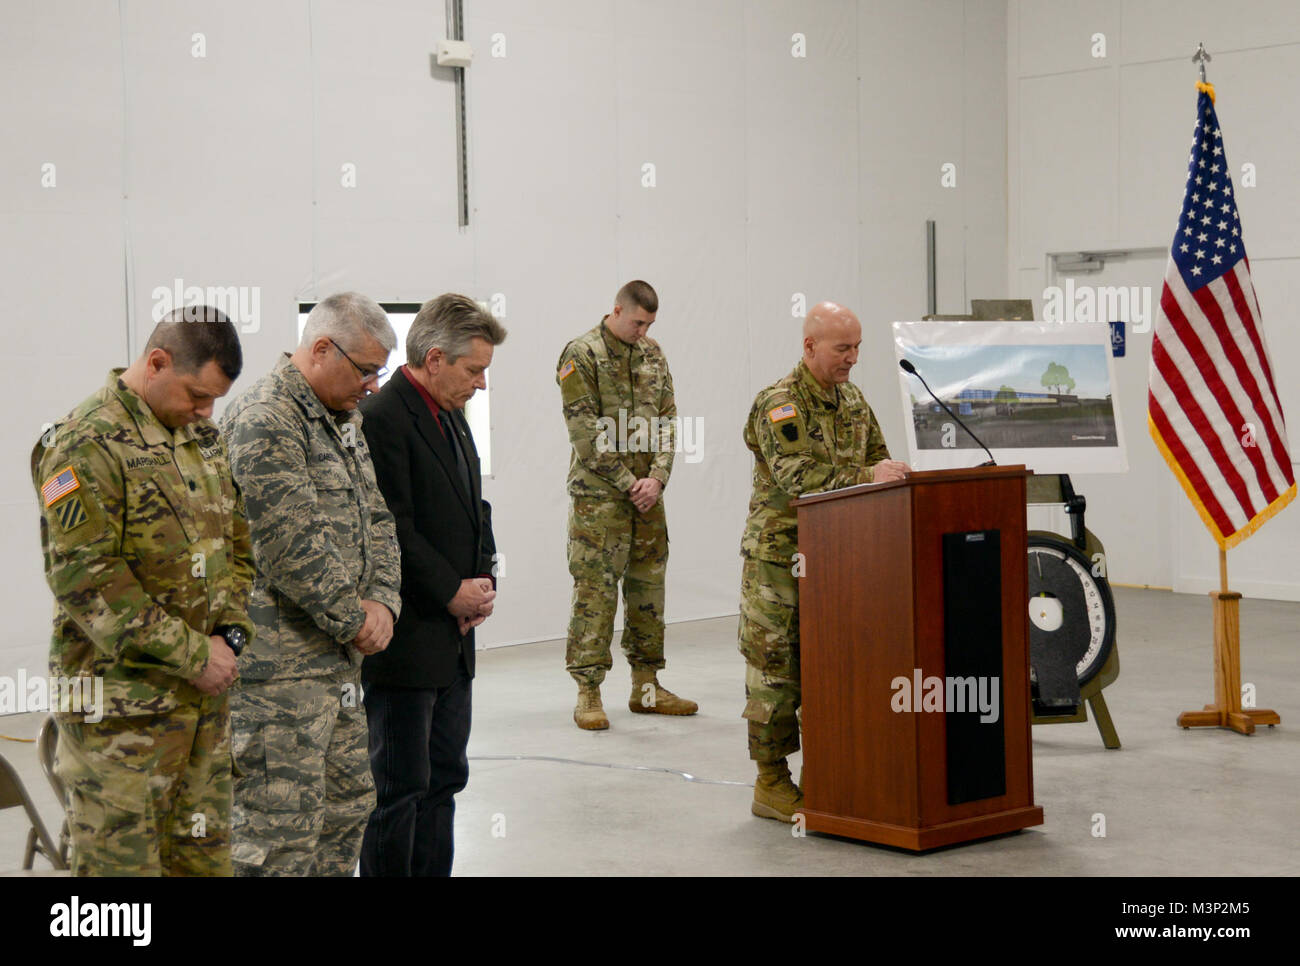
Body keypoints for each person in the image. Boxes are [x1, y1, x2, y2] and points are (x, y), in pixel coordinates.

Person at [32, 306, 252, 875]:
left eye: (214, 401)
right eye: (197, 395)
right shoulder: (81, 444)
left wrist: (229, 635)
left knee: (203, 865)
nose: (206, 412)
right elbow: (88, 581)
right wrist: (193, 654)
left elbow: (236, 545)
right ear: (156, 362)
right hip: (122, 722)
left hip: (202, 712)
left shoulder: (200, 436)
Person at [221, 291, 402, 875]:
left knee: (347, 810)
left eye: (380, 372)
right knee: (278, 836)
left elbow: (377, 516)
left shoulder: (343, 420)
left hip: (337, 667)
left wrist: (385, 602)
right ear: (321, 348)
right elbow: (287, 542)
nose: (373, 385)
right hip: (279, 679)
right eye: (367, 369)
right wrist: (357, 619)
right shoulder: (265, 418)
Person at [739, 301, 910, 822]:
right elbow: (796, 477)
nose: (853, 358)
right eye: (843, 348)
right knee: (777, 672)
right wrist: (869, 477)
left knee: (832, 670)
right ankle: (771, 782)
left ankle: (828, 773)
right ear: (810, 346)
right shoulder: (779, 404)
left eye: (858, 347)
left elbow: (879, 459)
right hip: (780, 562)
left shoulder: (853, 400)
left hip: (843, 560)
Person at [356, 293, 504, 876]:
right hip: (406, 642)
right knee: (398, 791)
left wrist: (483, 578)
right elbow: (391, 527)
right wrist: (450, 591)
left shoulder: (452, 415)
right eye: (475, 371)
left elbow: (476, 508)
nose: (482, 384)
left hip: (452, 643)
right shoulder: (384, 417)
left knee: (444, 780)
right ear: (435, 358)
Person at [556, 280, 696, 730]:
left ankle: (647, 689)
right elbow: (584, 432)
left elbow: (671, 421)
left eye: (649, 323)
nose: (643, 330)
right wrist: (629, 481)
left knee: (647, 594)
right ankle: (589, 692)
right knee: (596, 595)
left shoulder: (653, 354)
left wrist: (657, 479)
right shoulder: (581, 354)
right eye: (638, 321)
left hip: (648, 502)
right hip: (600, 502)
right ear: (616, 310)